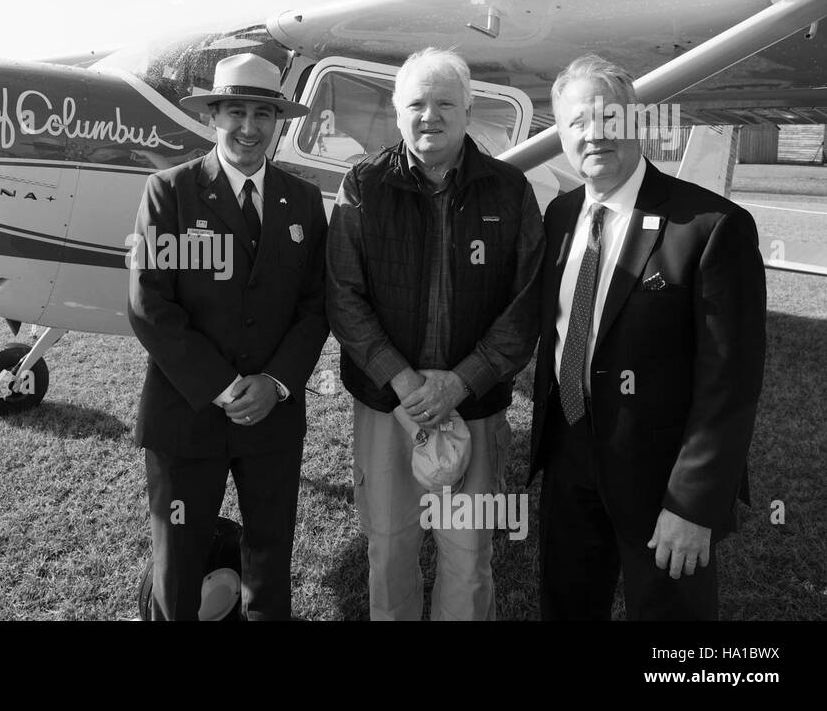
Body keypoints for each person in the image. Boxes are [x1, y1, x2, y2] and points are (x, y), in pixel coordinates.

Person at [528, 54, 766, 620]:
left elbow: (729, 385)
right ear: (559, 135)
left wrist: (693, 503)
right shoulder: (560, 216)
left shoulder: (710, 227)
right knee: (568, 604)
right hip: (569, 456)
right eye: (575, 124)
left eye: (608, 118)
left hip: (662, 477)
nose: (593, 135)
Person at [326, 48, 544, 620]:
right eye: (416, 103)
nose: (431, 115)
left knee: (468, 555)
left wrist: (462, 382)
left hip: (475, 407)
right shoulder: (363, 186)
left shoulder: (510, 190)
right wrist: (400, 380)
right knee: (390, 546)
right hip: (386, 406)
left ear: (468, 110)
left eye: (445, 102)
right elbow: (343, 297)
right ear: (397, 113)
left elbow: (527, 306)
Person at [128, 53, 329, 621]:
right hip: (187, 417)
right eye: (235, 111)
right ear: (213, 115)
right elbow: (148, 303)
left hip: (273, 420)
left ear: (278, 121)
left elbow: (316, 308)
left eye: (263, 113)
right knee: (179, 568)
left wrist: (277, 382)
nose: (248, 126)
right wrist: (223, 387)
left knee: (269, 562)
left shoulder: (304, 200)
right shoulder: (169, 192)